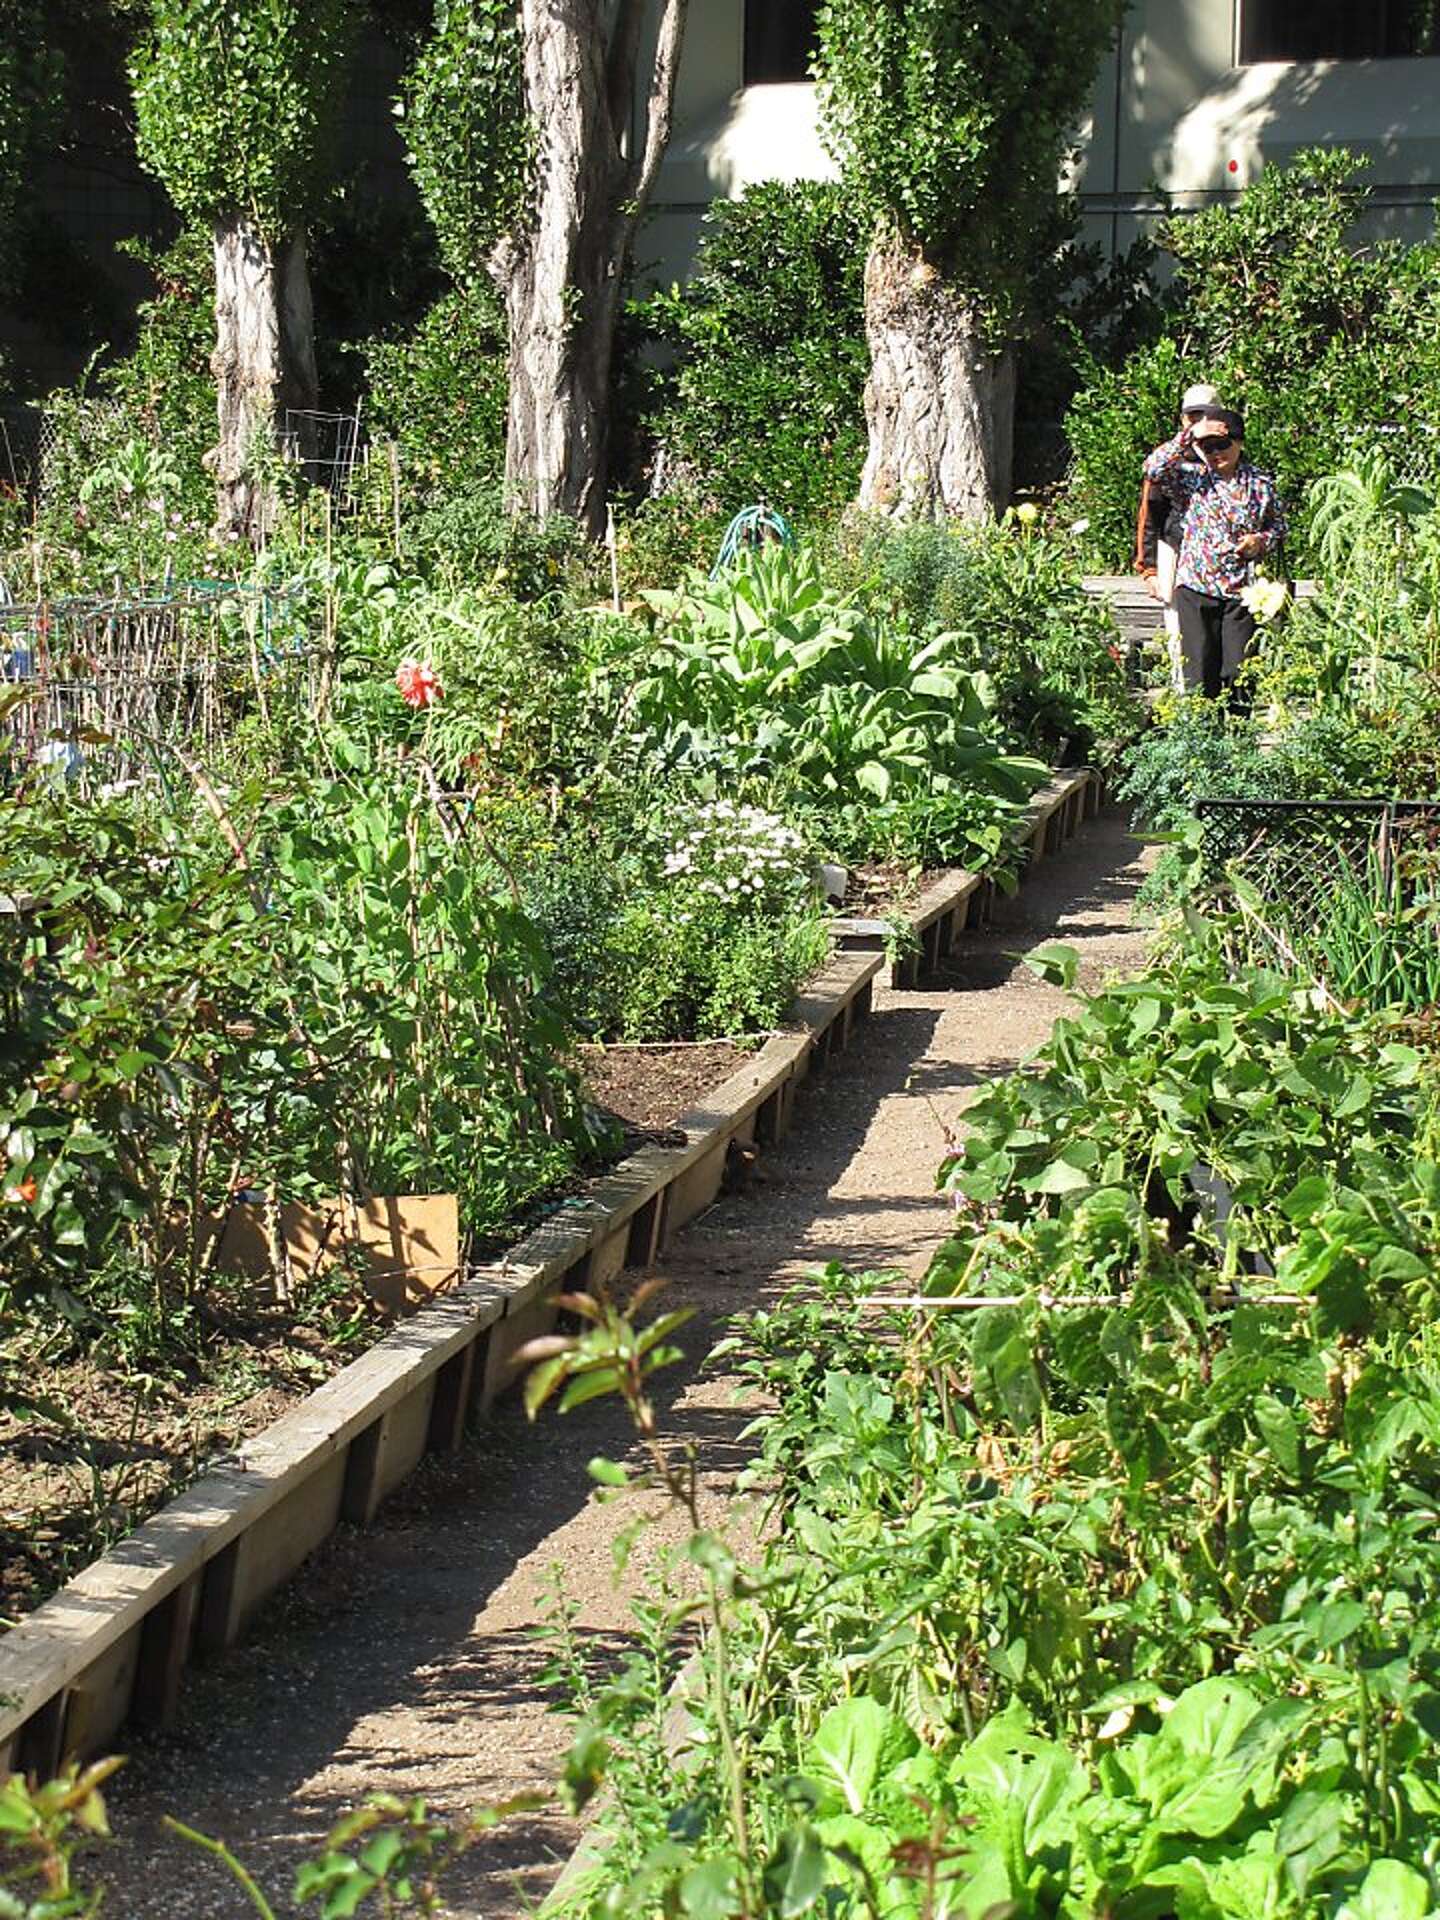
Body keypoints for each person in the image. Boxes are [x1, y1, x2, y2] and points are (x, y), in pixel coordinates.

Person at [1142, 407, 1286, 702]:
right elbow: (1153, 469)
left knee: (1239, 672)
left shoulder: (1261, 484)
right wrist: (1190, 435)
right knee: (1198, 675)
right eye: (1207, 447)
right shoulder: (1190, 479)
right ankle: (1202, 740)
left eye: (1222, 444)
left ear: (1239, 442)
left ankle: (1239, 739)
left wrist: (1260, 541)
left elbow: (1279, 527)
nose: (1215, 452)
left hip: (1242, 593)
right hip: (1197, 588)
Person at [1135, 381, 1222, 687]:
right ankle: (1187, 708)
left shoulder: (1230, 451)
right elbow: (1150, 509)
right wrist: (1148, 569)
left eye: (1206, 414)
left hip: (1223, 561)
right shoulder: (1171, 457)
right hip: (1177, 550)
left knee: (1220, 643)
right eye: (1192, 415)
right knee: (1181, 639)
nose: (1199, 422)